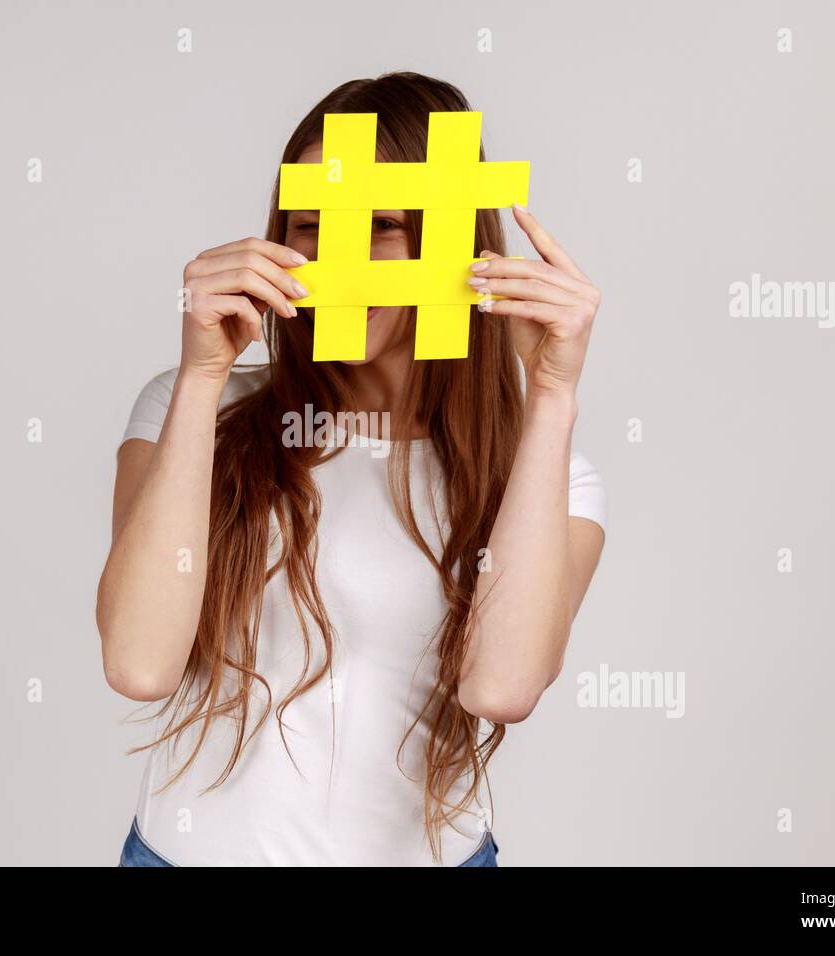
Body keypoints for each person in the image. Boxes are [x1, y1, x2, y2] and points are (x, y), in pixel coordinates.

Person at [97, 71, 607, 866]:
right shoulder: (194, 406)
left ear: (453, 244)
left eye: (380, 225)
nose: (338, 256)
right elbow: (138, 663)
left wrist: (552, 394)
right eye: (310, 224)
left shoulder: (547, 471)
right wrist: (200, 379)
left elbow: (502, 690)